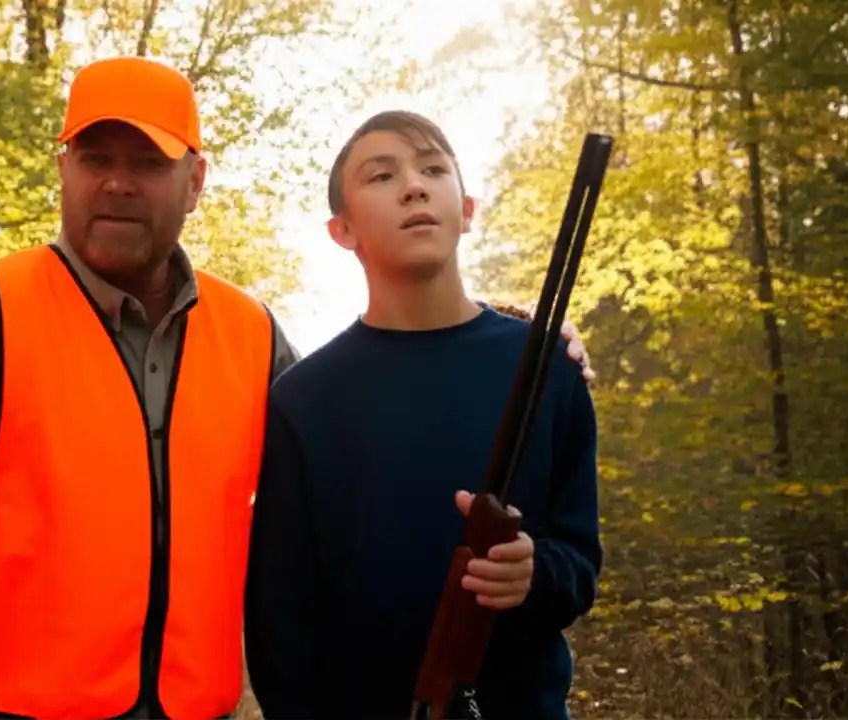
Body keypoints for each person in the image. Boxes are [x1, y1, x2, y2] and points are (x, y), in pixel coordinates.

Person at [0, 57, 592, 718]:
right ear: (64, 170)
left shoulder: (251, 335)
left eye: (149, 161)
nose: (119, 182)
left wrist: (515, 339)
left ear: (194, 182)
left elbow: (379, 402)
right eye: (95, 157)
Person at [243, 110, 602, 719]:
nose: (413, 186)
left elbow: (580, 561)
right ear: (342, 230)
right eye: (382, 176)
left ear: (467, 209)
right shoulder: (303, 399)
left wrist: (534, 574)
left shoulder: (549, 369)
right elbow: (282, 619)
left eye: (433, 170)